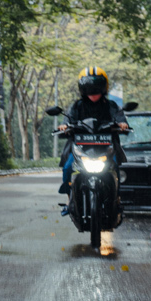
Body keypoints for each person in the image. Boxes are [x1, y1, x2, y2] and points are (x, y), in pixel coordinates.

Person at [58, 67, 130, 213]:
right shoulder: (76, 106)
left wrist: (122, 124)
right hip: (81, 148)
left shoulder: (111, 106)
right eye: (89, 88)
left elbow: (120, 117)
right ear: (82, 89)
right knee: (67, 168)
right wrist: (64, 126)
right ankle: (69, 199)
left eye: (97, 88)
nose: (93, 92)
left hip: (106, 148)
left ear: (104, 88)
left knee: (115, 168)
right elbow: (68, 119)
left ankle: (117, 199)